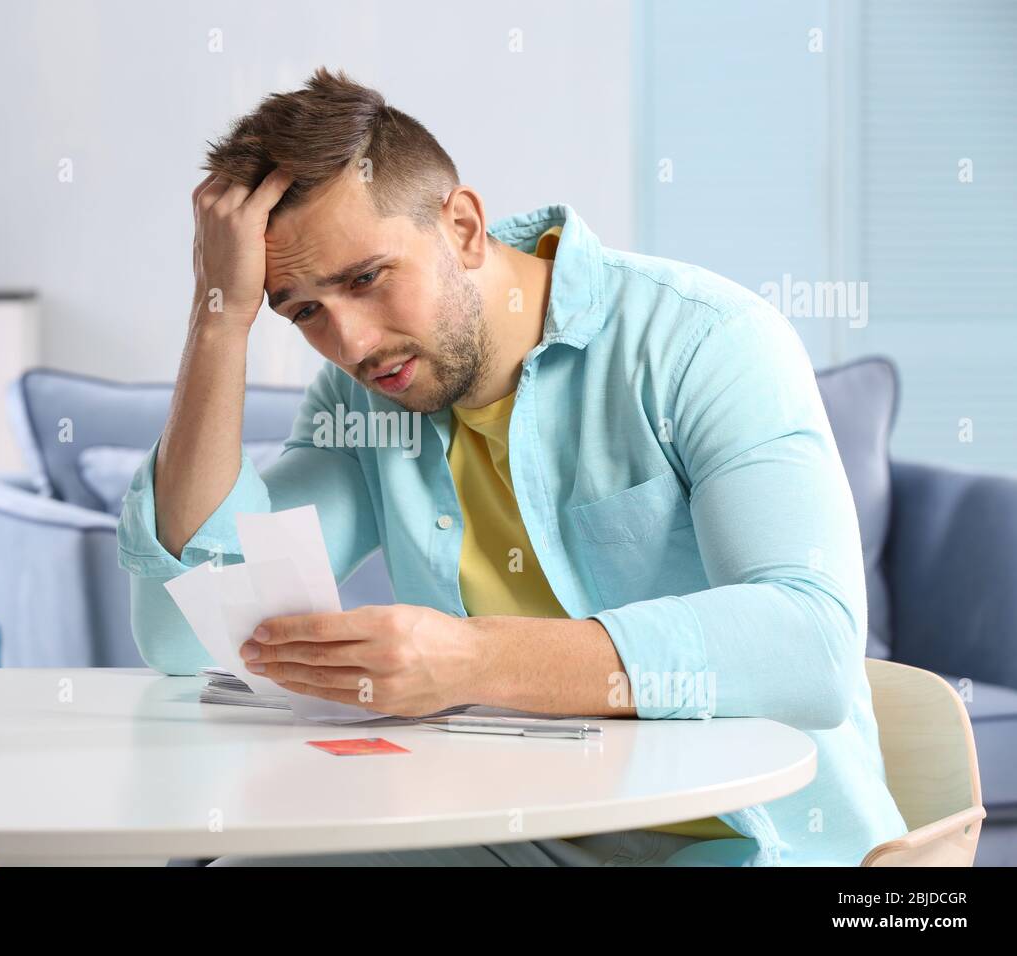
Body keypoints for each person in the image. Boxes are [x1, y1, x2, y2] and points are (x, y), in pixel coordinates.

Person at [118, 67, 909, 866]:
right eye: (305, 312)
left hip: (740, 838)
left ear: (462, 226)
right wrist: (219, 320)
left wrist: (469, 661)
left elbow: (811, 644)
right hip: (500, 831)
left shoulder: (704, 341)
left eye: (366, 279)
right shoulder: (364, 403)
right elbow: (186, 631)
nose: (352, 344)